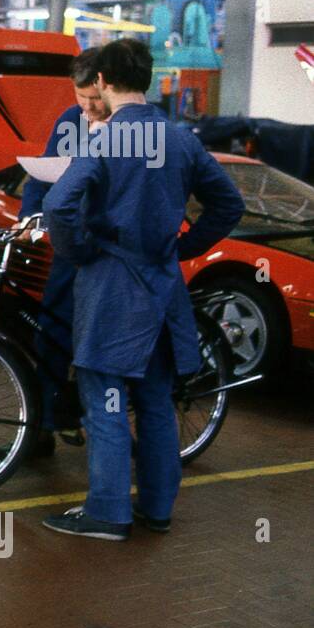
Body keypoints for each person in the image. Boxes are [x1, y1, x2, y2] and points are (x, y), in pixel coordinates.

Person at [41, 39, 243, 541]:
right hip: (162, 290)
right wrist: (185, 247)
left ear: (104, 82)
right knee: (154, 401)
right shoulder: (182, 139)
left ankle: (108, 513)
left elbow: (59, 205)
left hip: (112, 289)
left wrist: (80, 251)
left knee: (106, 402)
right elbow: (229, 205)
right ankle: (157, 510)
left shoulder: (108, 140)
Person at [19, 46, 112, 450]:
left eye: (96, 100)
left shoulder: (136, 127)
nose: (89, 108)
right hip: (71, 248)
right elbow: (43, 178)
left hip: (112, 255)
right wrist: (28, 217)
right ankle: (44, 427)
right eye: (81, 99)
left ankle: (99, 427)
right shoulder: (71, 121)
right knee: (52, 332)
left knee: (103, 345)